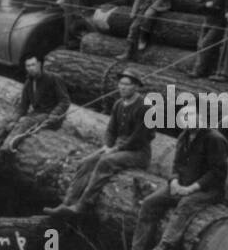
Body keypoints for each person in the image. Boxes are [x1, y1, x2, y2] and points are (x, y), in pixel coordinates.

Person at [112, 104, 228, 250]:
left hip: (208, 190)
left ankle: (163, 247)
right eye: (184, 118)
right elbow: (177, 164)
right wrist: (173, 181)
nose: (188, 121)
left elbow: (217, 173)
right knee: (149, 203)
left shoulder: (214, 139)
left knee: (186, 204)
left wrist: (191, 188)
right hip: (182, 184)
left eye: (192, 117)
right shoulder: (184, 136)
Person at [47, 71, 152, 216]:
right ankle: (67, 203)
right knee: (86, 162)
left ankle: (82, 205)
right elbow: (111, 130)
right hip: (118, 148)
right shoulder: (118, 104)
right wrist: (108, 145)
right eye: (121, 84)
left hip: (138, 152)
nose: (122, 87)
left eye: (127, 85)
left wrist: (115, 149)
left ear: (136, 87)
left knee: (106, 161)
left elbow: (139, 138)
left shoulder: (145, 107)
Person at [0, 55, 69, 163]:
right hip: (36, 114)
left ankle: (3, 153)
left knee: (25, 121)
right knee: (6, 121)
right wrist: (14, 119)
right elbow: (23, 106)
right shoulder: (29, 83)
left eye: (33, 65)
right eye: (28, 66)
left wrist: (54, 114)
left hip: (51, 117)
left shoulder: (54, 79)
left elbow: (65, 101)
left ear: (40, 65)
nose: (30, 68)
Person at [193, 0, 228, 79]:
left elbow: (218, 7)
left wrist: (208, 6)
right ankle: (202, 70)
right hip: (207, 21)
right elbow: (198, 7)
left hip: (218, 23)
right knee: (200, 45)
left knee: (205, 44)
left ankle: (198, 71)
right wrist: (207, 5)